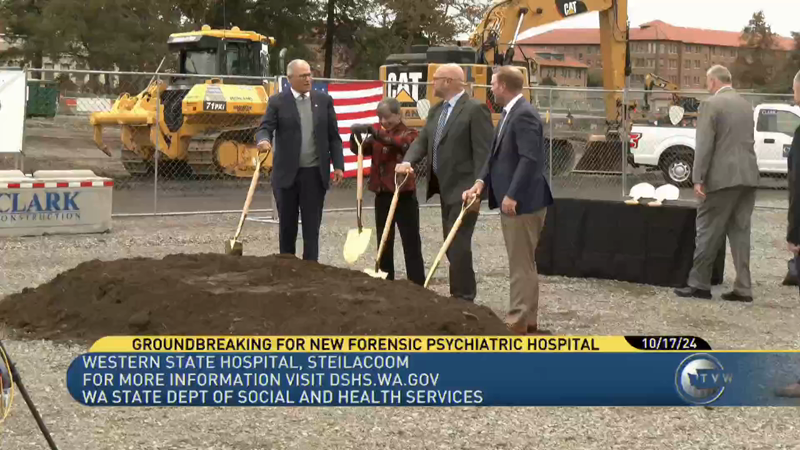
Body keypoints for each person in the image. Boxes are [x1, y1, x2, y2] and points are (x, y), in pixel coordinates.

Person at [463, 66, 554, 335]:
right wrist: (480, 182)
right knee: (524, 262)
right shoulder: (508, 113)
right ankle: (528, 321)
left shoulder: (524, 114)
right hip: (516, 199)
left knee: (520, 264)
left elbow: (529, 159)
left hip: (524, 202)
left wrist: (512, 194)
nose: (490, 88)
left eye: (492, 84)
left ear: (503, 86)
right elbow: (495, 156)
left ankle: (516, 322)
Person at [395, 63, 493, 302]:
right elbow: (422, 141)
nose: (432, 83)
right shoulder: (437, 110)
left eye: (435, 79)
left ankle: (463, 296)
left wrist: (479, 185)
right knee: (450, 243)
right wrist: (408, 161)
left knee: (457, 243)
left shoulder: (475, 109)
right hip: (444, 188)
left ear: (448, 81)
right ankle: (459, 292)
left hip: (466, 191)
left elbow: (485, 152)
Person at [674, 65, 760, 301]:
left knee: (707, 230)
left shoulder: (711, 105)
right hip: (748, 176)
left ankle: (699, 284)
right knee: (741, 233)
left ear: (712, 82)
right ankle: (744, 288)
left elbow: (704, 145)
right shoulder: (745, 105)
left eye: (706, 82)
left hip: (722, 179)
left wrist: (698, 178)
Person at [255, 59, 344, 262]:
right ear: (290, 79)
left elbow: (333, 136)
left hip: (314, 175)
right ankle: (286, 269)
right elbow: (265, 127)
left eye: (309, 74)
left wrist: (338, 165)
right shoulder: (278, 101)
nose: (308, 79)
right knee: (287, 226)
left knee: (312, 228)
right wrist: (263, 141)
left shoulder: (323, 100)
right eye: (303, 76)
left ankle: (310, 270)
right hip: (286, 176)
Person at [349, 98, 425, 285]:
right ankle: (385, 279)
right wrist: (355, 135)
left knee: (411, 241)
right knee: (384, 240)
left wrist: (375, 133)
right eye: (380, 118)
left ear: (398, 115)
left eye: (387, 118)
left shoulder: (411, 133)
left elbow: (401, 144)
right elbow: (358, 149)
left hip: (403, 194)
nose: (383, 122)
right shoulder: (378, 135)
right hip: (382, 194)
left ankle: (416, 283)